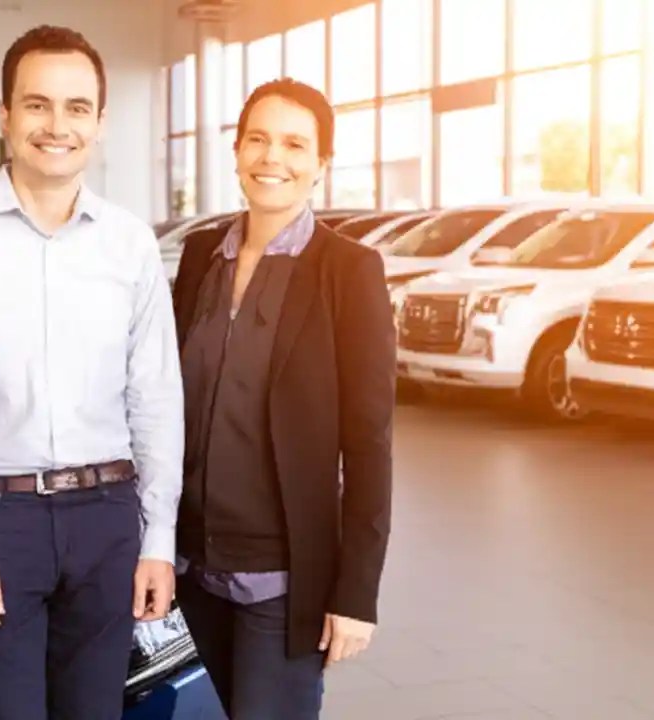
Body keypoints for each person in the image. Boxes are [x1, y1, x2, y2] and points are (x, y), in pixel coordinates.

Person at [0, 25, 183, 720]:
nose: (57, 125)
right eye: (37, 104)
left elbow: (155, 398)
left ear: (100, 122)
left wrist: (157, 540)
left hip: (108, 519)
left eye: (77, 107)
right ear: (5, 115)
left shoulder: (129, 244)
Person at [170, 78, 396, 720]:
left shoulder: (348, 271)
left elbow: (370, 443)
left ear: (321, 163)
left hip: (283, 576)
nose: (273, 157)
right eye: (258, 139)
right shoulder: (200, 256)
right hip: (194, 566)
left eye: (295, 144)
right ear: (237, 151)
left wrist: (356, 593)